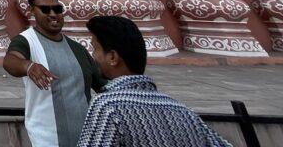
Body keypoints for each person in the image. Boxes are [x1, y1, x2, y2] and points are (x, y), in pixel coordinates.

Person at [77, 15, 232, 146]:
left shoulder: (108, 106)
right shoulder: (183, 111)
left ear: (112, 57)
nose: (93, 56)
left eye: (95, 49)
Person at [2, 0, 105, 147]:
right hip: (47, 139)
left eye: (57, 9)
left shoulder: (77, 49)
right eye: (45, 10)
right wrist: (28, 67)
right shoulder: (26, 41)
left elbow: (103, 86)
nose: (53, 15)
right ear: (32, 11)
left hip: (86, 138)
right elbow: (10, 61)